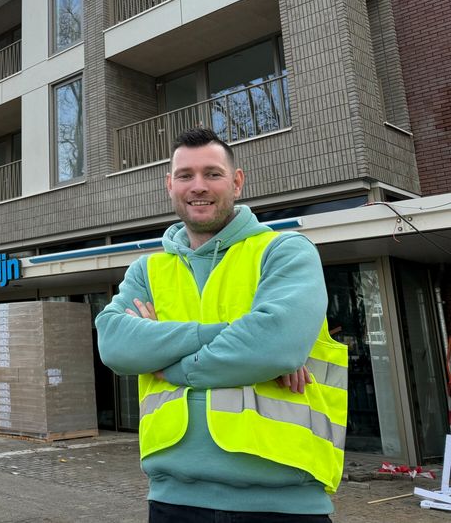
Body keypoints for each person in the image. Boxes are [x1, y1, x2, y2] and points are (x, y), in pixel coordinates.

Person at [96, 128, 347, 522]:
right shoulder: (147, 270)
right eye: (185, 175)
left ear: (237, 181)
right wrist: (231, 333)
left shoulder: (283, 251)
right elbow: (115, 345)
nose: (198, 186)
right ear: (170, 185)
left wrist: (167, 365)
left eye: (212, 173)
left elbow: (276, 346)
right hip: (173, 501)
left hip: (282, 505)